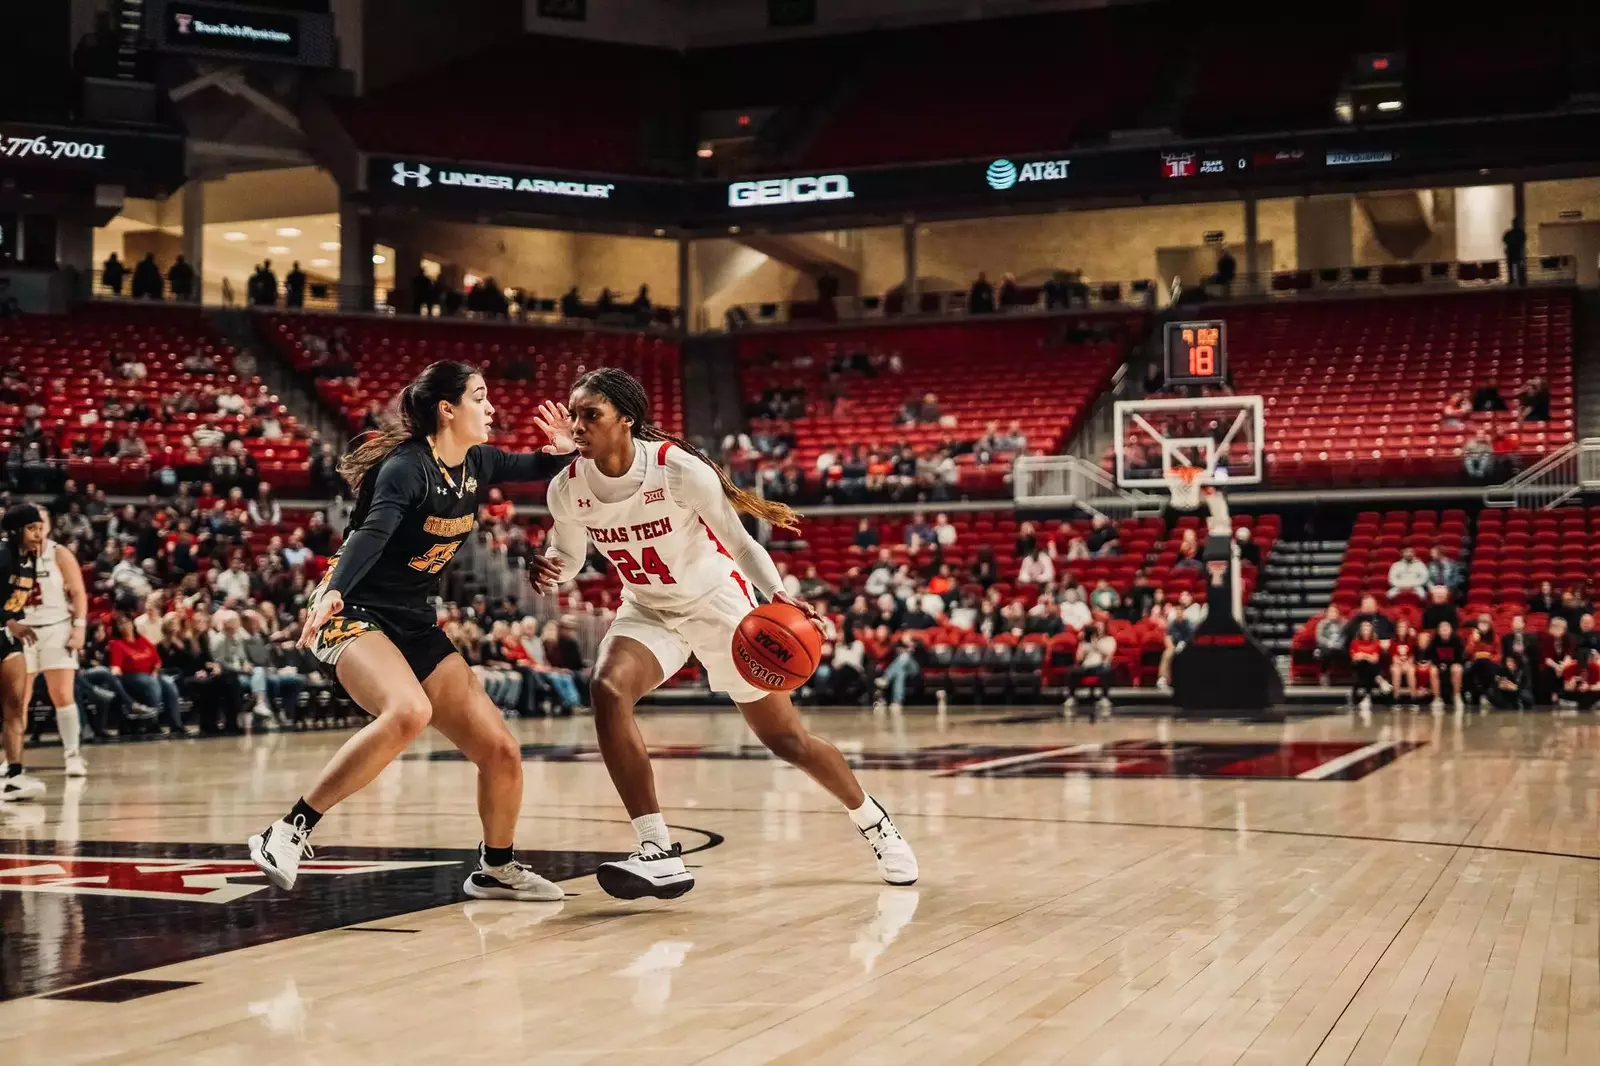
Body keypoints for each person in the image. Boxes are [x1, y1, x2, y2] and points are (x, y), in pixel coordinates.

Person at [539, 367, 916, 900]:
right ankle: (658, 851)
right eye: (573, 415)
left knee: (788, 741)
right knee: (606, 688)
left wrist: (777, 593)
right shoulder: (567, 487)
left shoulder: (678, 471)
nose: (577, 425)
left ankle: (874, 822)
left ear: (626, 420)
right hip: (648, 607)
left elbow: (740, 544)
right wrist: (552, 565)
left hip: (720, 606)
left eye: (590, 414)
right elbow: (572, 555)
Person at [247, 360, 578, 902]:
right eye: (479, 397)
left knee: (501, 751)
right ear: (447, 409)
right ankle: (286, 831)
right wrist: (333, 591)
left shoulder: (477, 461)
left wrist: (563, 448)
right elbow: (371, 533)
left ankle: (496, 867)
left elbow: (535, 465)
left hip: (412, 617)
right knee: (408, 712)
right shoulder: (405, 468)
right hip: (354, 607)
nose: (491, 407)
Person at [15, 510, 89, 776]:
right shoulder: (9, 553)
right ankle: (13, 762)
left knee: (62, 695)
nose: (37, 529)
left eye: (41, 524)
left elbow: (79, 592)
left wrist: (79, 628)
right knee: (17, 700)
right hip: (21, 631)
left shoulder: (59, 554)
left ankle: (73, 754)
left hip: (56, 628)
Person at [0, 506, 49, 800]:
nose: (38, 534)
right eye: (32, 529)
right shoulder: (3, 554)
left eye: (40, 528)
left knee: (15, 705)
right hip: (5, 628)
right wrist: (9, 620)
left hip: (8, 637)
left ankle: (14, 775)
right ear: (17, 530)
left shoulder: (30, 558)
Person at [1066, 622, 1116, 711]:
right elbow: (1078, 659)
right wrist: (1083, 645)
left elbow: (1107, 655)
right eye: (1095, 628)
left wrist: (1095, 643)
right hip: (1086, 666)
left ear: (1105, 629)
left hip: (1100, 665)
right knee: (1072, 671)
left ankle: (1104, 698)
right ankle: (1071, 697)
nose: (1097, 630)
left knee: (1106, 671)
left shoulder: (1109, 640)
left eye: (1099, 628)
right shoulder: (1085, 642)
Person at [1423, 619, 1466, 713]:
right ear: (1439, 631)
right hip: (1439, 665)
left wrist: (1449, 664)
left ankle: (1457, 696)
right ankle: (1437, 698)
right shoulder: (1434, 640)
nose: (1444, 631)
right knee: (1433, 670)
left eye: (1446, 629)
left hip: (1453, 664)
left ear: (1450, 630)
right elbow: (1428, 655)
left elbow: (1461, 657)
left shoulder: (1457, 640)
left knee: (1457, 669)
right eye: (1442, 629)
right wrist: (1439, 664)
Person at [1349, 620, 1384, 713]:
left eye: (1367, 627)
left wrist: (1362, 655)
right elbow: (1354, 658)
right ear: (1360, 630)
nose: (1365, 630)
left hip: (1370, 668)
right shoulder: (1355, 642)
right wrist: (1368, 656)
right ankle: (1378, 680)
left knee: (1370, 667)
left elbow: (1375, 659)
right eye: (1363, 628)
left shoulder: (1376, 642)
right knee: (1364, 666)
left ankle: (1364, 696)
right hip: (1358, 667)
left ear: (1371, 630)